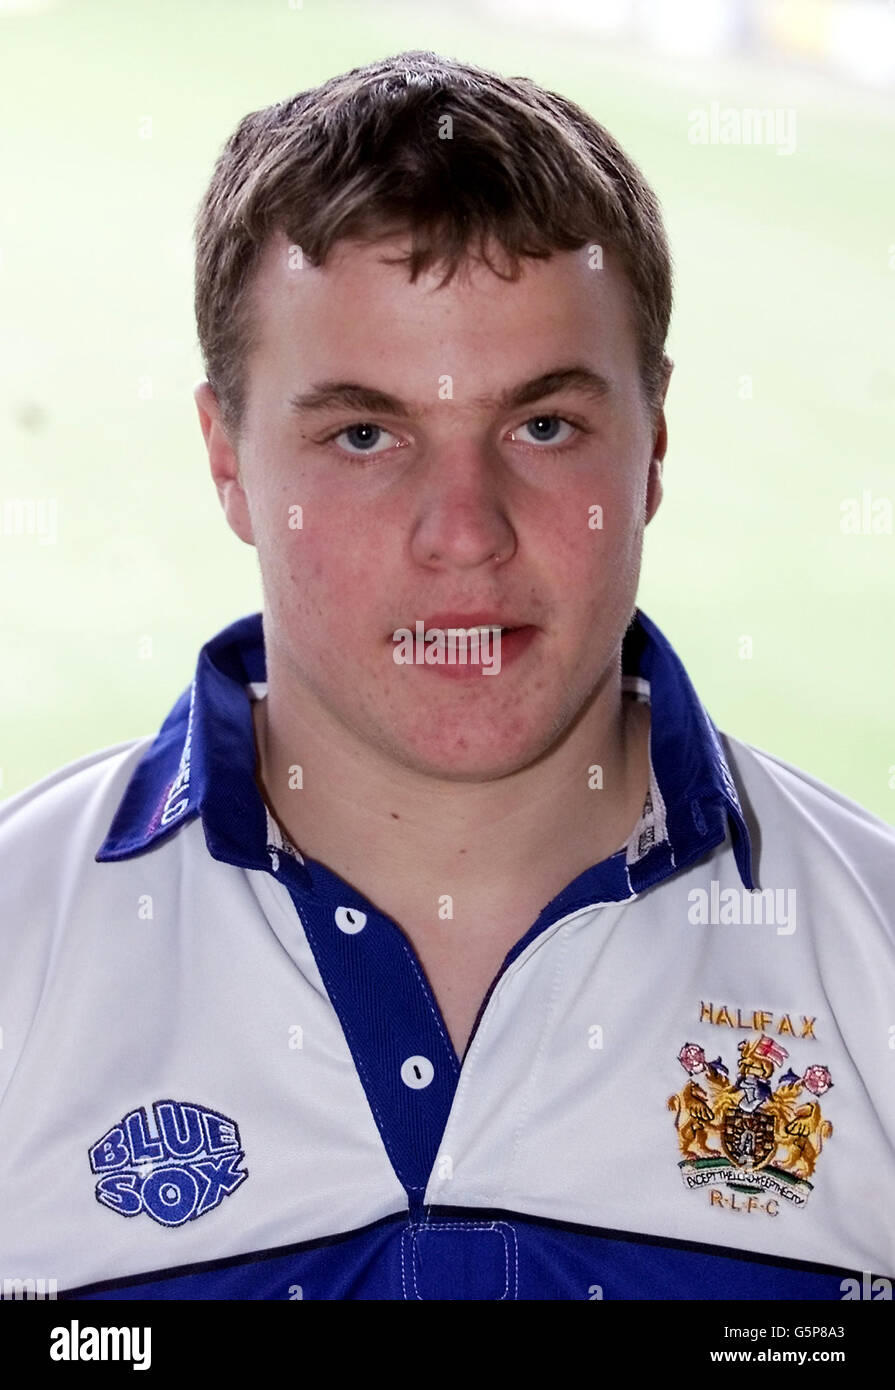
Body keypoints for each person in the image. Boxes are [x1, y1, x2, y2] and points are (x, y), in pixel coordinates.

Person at [1, 49, 893, 1303]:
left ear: (653, 443)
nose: (463, 531)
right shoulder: (18, 953)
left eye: (543, 426)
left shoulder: (873, 960)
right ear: (226, 459)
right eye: (363, 436)